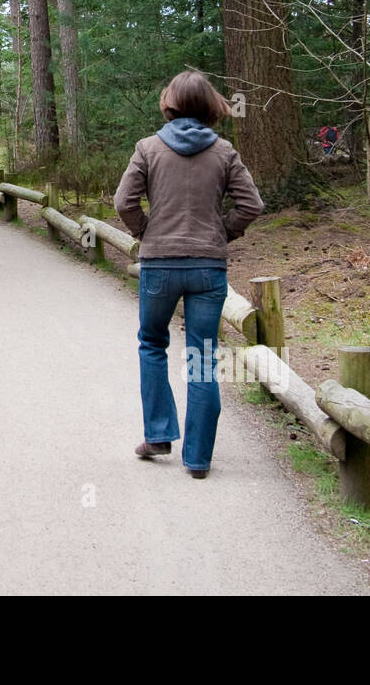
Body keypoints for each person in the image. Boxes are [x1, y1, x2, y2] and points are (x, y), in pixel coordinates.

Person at [113, 70, 264, 479]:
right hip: (207, 268)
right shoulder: (225, 151)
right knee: (202, 358)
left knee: (152, 344)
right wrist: (223, 233)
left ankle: (158, 435)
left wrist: (145, 232)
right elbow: (252, 205)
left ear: (170, 103)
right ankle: (197, 459)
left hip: (160, 266)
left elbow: (123, 200)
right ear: (210, 106)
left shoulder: (148, 148)